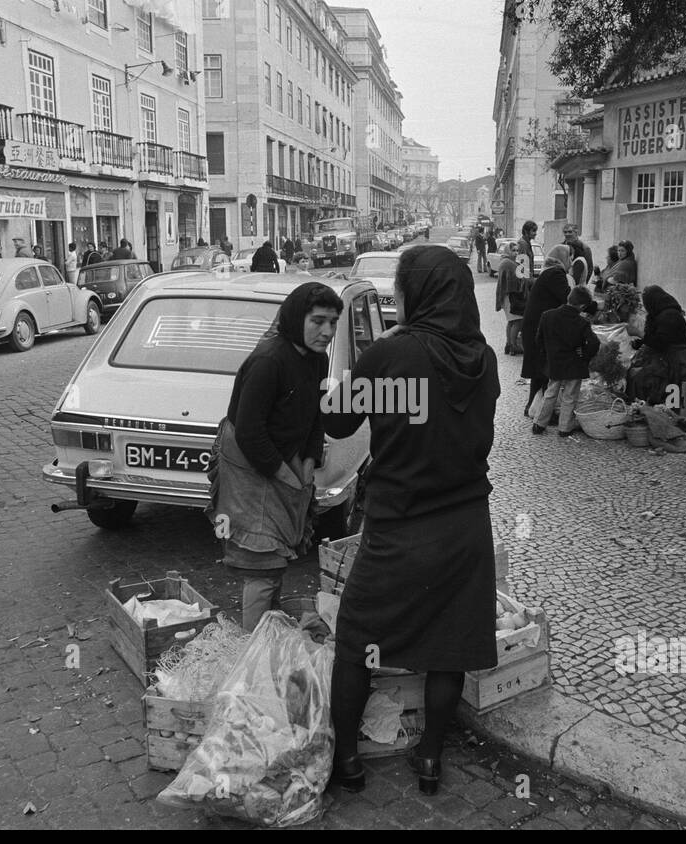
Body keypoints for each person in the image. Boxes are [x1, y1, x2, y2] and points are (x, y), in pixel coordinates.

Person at [322, 244, 500, 797]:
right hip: (466, 525)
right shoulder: (484, 358)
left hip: (400, 526)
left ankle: (348, 760)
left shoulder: (390, 357)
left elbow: (338, 421)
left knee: (357, 640)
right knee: (450, 645)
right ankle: (429, 761)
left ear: (417, 294)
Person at [206, 282, 340, 631]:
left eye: (333, 323)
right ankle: (252, 654)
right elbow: (250, 431)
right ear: (298, 318)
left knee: (277, 561)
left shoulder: (317, 360)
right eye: (318, 321)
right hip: (249, 467)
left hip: (286, 460)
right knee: (262, 566)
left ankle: (270, 631)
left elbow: (316, 414)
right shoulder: (268, 360)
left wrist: (309, 462)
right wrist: (286, 477)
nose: (326, 332)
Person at [532, 285, 599, 437]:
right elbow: (594, 343)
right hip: (574, 364)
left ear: (569, 298)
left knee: (550, 393)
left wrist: (548, 353)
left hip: (554, 362)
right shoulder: (581, 322)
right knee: (570, 396)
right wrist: (585, 355)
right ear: (582, 306)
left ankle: (539, 424)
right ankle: (564, 428)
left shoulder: (547, 315)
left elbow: (538, 340)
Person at [520, 245, 573, 416]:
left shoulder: (548, 272)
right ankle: (543, 412)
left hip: (535, 326)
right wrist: (590, 305)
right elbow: (568, 298)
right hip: (539, 328)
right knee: (544, 368)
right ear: (562, 258)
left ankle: (533, 407)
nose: (571, 261)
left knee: (539, 368)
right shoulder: (556, 273)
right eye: (569, 257)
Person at [626, 285, 686, 407]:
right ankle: (646, 407)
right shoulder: (656, 315)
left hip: (681, 362)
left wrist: (639, 333)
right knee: (635, 374)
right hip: (667, 358)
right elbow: (653, 338)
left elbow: (660, 343)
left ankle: (674, 416)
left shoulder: (670, 315)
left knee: (675, 394)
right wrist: (639, 343)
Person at [494, 241, 525, 355]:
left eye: (517, 250)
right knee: (517, 321)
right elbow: (516, 280)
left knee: (511, 322)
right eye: (513, 250)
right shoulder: (508, 263)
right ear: (508, 251)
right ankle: (513, 346)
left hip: (507, 296)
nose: (516, 253)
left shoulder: (507, 262)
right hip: (511, 296)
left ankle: (508, 344)